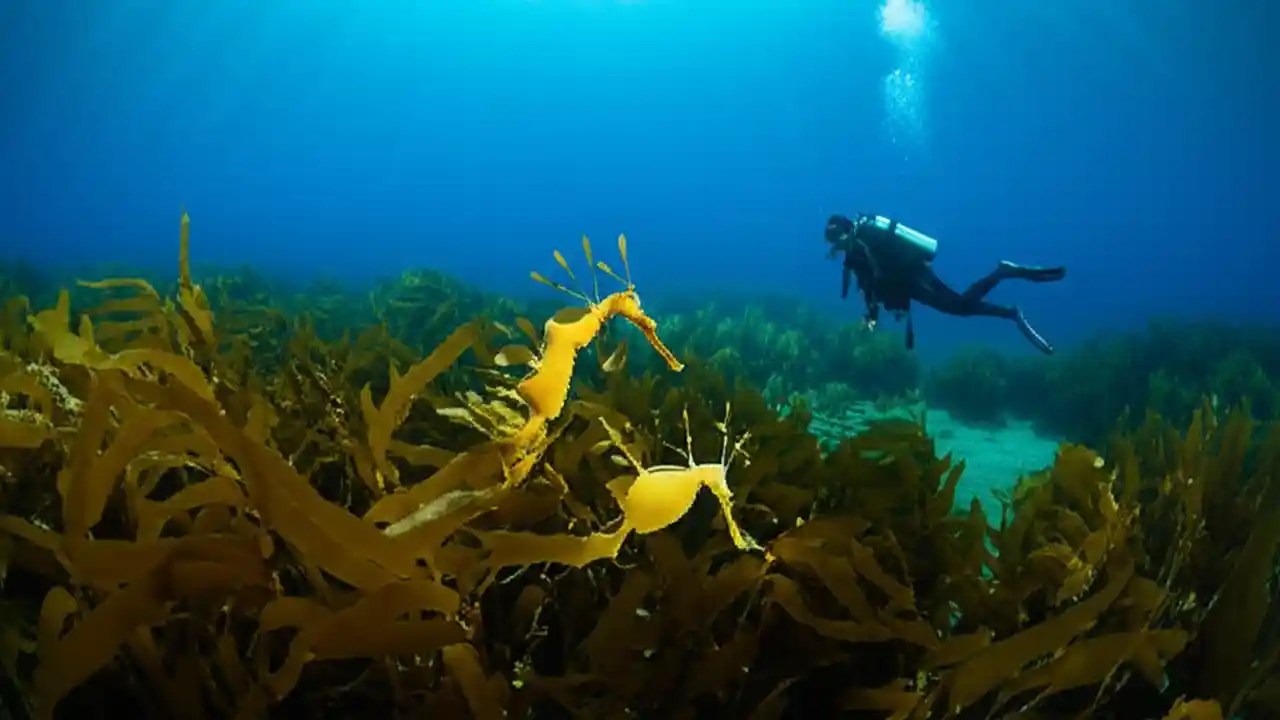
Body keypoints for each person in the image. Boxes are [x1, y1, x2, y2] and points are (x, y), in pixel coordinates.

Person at [824, 212, 1065, 354]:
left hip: (915, 279)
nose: (836, 247)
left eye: (836, 240)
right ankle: (1009, 311)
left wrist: (873, 316)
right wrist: (872, 317)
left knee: (958, 306)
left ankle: (1002, 278)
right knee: (959, 308)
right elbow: (871, 288)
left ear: (844, 232)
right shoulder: (858, 249)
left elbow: (873, 284)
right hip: (913, 282)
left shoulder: (862, 244)